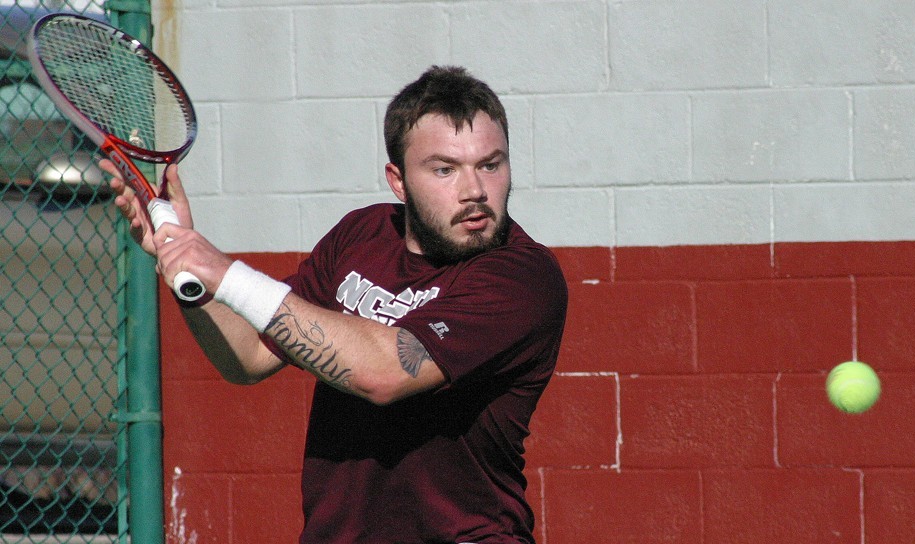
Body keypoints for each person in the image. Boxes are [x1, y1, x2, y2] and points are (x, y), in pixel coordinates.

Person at [104, 65, 568, 544]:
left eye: (490, 165)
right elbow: (248, 356)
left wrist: (226, 273)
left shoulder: (522, 276)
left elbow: (385, 373)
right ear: (398, 180)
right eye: (445, 169)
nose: (474, 191)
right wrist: (183, 265)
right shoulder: (361, 234)